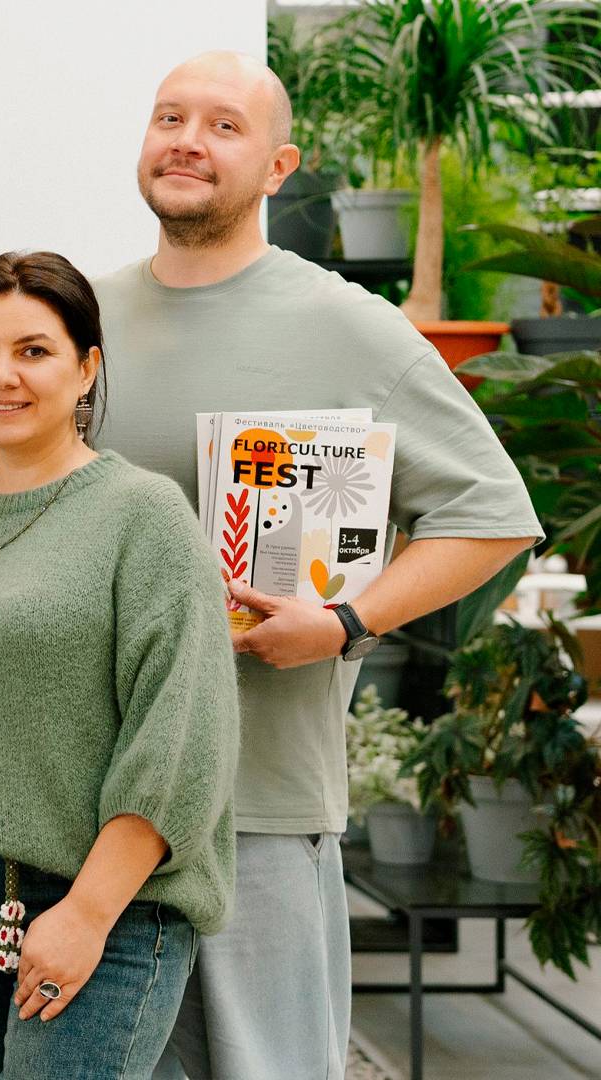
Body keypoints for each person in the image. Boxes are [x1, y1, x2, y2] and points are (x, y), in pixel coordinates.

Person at [91, 52, 546, 1080]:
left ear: (278, 166)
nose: (187, 142)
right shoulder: (82, 319)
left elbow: (490, 516)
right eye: (169, 117)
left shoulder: (349, 327)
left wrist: (346, 624)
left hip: (258, 801)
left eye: (223, 125)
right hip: (91, 805)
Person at [0, 250, 241, 1080]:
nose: (2, 375)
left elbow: (179, 739)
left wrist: (86, 914)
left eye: (33, 350)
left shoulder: (143, 515)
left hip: (104, 899)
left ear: (87, 368)